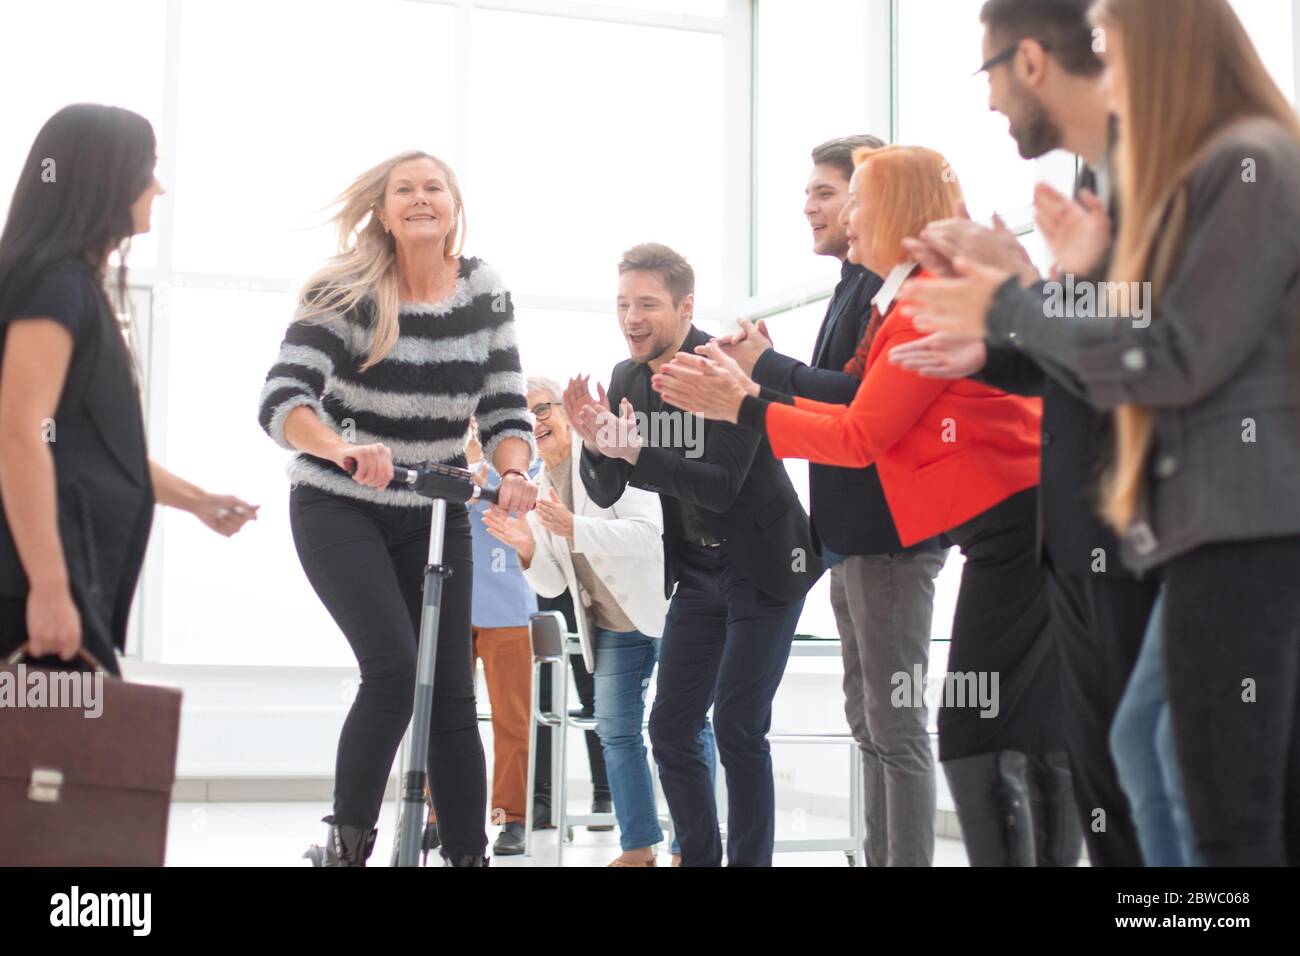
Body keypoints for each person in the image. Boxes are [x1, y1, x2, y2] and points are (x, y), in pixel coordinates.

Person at [894, 0, 1300, 866]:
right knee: (1148, 757)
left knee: (1217, 803)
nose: (1100, 66)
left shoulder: (1252, 162)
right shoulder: (1177, 178)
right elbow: (1135, 342)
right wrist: (1050, 296)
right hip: (1191, 526)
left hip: (1244, 526)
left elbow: (1179, 352)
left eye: (1111, 46)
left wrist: (1018, 301)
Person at [655, 146, 1079, 866]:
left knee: (984, 735)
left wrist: (745, 403)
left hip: (1022, 528)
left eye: (858, 203)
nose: (847, 220)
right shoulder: (906, 301)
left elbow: (860, 436)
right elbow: (861, 419)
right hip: (1009, 530)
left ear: (900, 213)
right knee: (1021, 735)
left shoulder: (920, 307)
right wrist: (747, 393)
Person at [890, 0, 1158, 867]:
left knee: (1157, 788)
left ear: (1032, 60)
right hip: (1074, 534)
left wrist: (1016, 299)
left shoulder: (1166, 169)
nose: (993, 104)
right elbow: (1084, 351)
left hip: (1136, 531)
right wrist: (999, 341)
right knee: (1118, 780)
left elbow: (1157, 340)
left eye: (990, 74)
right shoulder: (1100, 178)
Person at [257, 150, 537, 867]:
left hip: (436, 510)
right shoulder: (347, 288)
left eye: (433, 187)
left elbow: (506, 408)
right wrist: (341, 448)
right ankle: (347, 847)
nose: (420, 198)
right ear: (382, 212)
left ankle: (468, 857)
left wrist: (512, 472)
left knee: (447, 696)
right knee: (393, 667)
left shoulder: (485, 290)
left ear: (454, 205)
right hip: (339, 503)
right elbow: (283, 400)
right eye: (403, 190)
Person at [712, 134, 949, 866]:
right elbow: (843, 404)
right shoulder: (862, 288)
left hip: (891, 534)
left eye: (829, 192)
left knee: (894, 725)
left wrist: (762, 377)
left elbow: (868, 409)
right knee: (872, 722)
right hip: (852, 534)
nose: (812, 207)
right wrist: (763, 376)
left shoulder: (901, 293)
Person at [564, 243, 823, 867]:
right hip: (697, 572)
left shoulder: (726, 367)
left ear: (685, 307)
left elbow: (720, 483)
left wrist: (631, 454)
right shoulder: (628, 378)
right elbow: (607, 490)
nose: (631, 317)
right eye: (623, 303)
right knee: (670, 728)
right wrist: (596, 445)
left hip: (764, 566)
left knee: (737, 725)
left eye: (647, 303)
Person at [0, 104, 257, 675]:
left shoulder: (68, 286)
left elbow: (88, 445)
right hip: (28, 585)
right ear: (103, 178)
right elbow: (19, 435)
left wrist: (198, 502)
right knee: (72, 756)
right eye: (148, 169)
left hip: (56, 576)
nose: (158, 187)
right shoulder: (55, 287)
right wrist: (47, 586)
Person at [487, 375, 715, 866]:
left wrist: (577, 528)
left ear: (567, 414)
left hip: (666, 610)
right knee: (614, 730)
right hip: (611, 625)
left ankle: (691, 847)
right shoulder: (539, 487)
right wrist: (527, 549)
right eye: (523, 418)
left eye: (543, 408)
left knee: (688, 728)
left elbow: (648, 535)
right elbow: (552, 585)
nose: (536, 422)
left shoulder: (607, 461)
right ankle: (638, 848)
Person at [460, 423, 542, 856]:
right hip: (451, 602)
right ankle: (440, 814)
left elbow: (524, 510)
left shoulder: (525, 461)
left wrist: (481, 471)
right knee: (446, 718)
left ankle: (510, 817)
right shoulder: (443, 448)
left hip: (508, 609)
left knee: (512, 720)